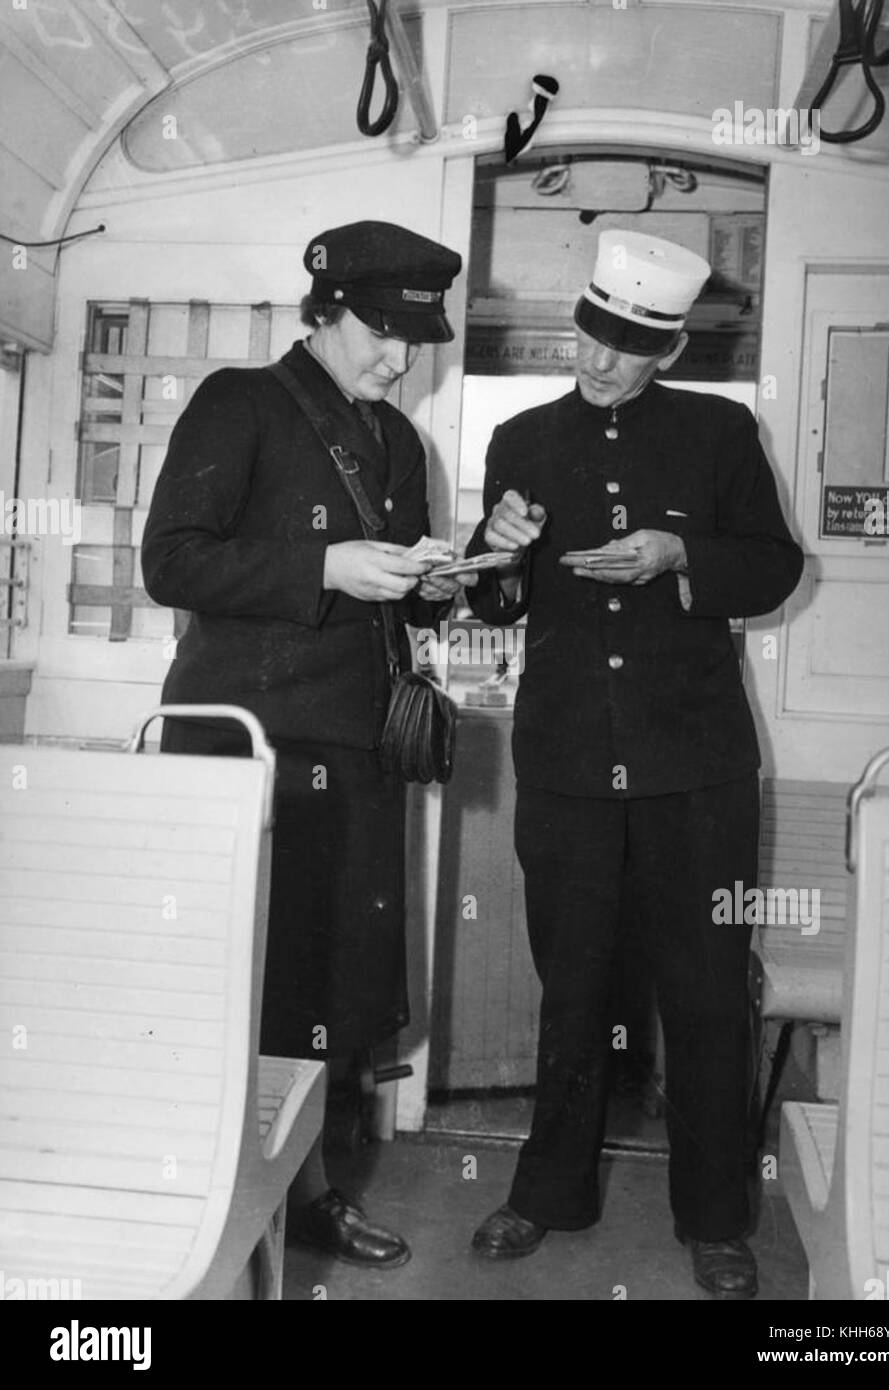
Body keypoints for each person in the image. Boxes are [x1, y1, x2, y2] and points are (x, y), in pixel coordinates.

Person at [465, 229, 804, 1299]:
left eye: (627, 348)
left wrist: (683, 555)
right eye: (591, 337)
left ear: (667, 352)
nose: (600, 361)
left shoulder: (719, 431)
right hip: (567, 759)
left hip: (695, 766)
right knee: (571, 986)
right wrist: (502, 549)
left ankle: (713, 1216)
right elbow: (490, 599)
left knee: (705, 990)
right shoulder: (518, 438)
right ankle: (547, 1192)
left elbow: (777, 564)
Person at [142, 220, 465, 1270]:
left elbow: (403, 596)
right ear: (323, 311)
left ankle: (310, 1192)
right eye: (383, 332)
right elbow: (172, 561)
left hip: (355, 755)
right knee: (230, 982)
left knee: (329, 986)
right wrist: (323, 569)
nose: (400, 360)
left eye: (415, 342)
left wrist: (452, 581)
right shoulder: (240, 404)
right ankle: (196, 1189)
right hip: (244, 756)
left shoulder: (400, 444)